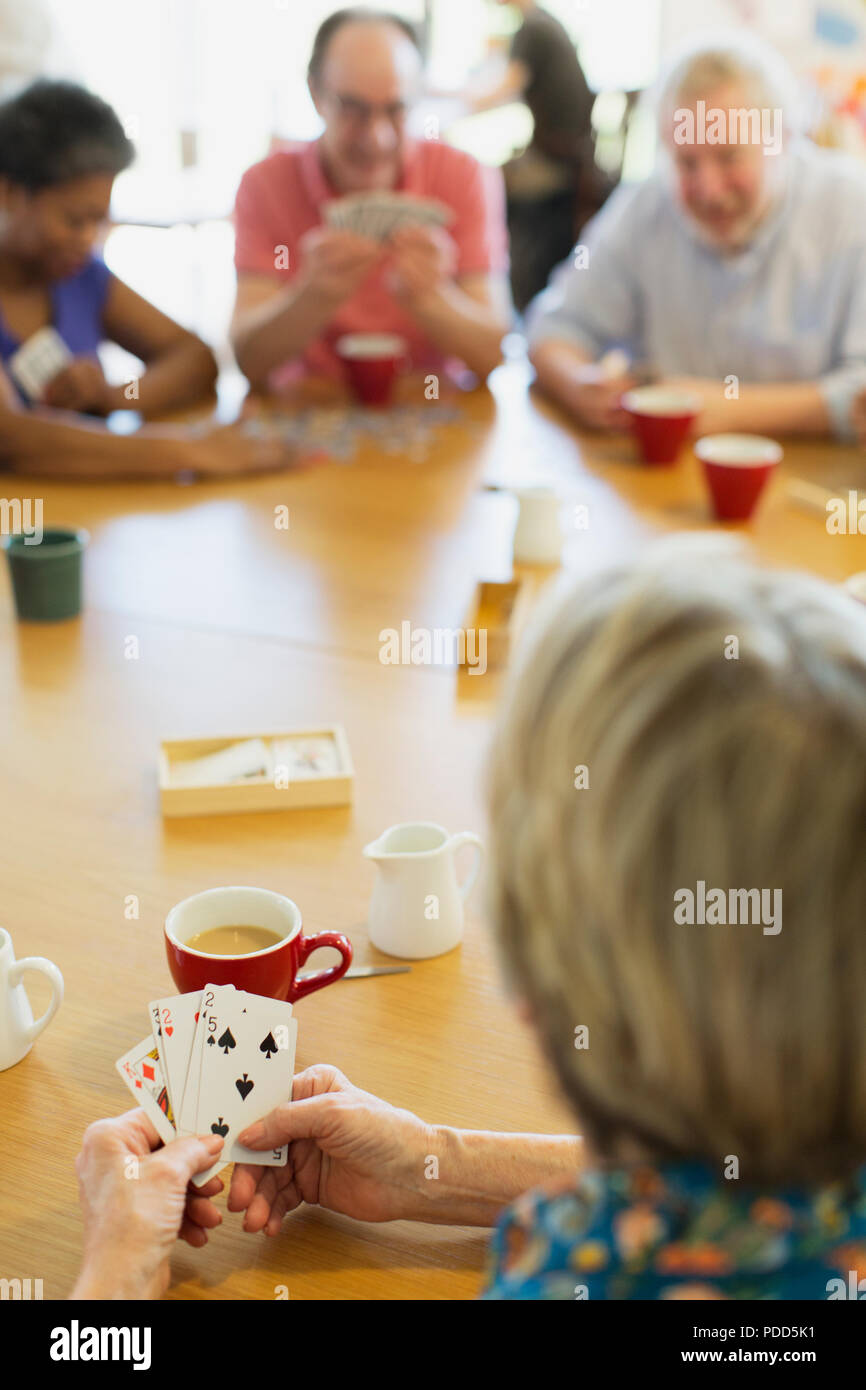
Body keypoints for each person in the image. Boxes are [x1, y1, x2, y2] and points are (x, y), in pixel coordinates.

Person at [73, 536, 866, 1299]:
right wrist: (431, 1164)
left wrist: (112, 1279)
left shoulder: (558, 1277)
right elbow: (720, 1184)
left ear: (539, 997)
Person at [527, 34, 866, 442]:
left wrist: (734, 411)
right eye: (687, 163)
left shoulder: (851, 208)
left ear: (783, 139)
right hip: (664, 485)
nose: (709, 190)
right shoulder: (645, 204)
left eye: (729, 157)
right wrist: (579, 382)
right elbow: (553, 326)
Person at [0, 80, 294, 478]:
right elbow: (12, 438)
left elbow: (196, 361)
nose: (88, 239)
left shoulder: (82, 278)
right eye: (73, 220)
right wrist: (190, 452)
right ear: (9, 192)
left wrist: (113, 398)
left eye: (98, 220)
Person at [230, 8, 511, 393]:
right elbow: (248, 361)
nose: (376, 138)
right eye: (353, 109)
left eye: (395, 110)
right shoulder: (265, 184)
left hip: (431, 406)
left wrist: (432, 298)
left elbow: (493, 356)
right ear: (316, 94)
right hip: (311, 412)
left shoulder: (463, 175)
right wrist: (312, 295)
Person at [463, 0, 605, 312]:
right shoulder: (544, 23)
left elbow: (502, 91)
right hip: (570, 159)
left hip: (554, 164)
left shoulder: (532, 29)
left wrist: (452, 98)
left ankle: (500, 305)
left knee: (479, 186)